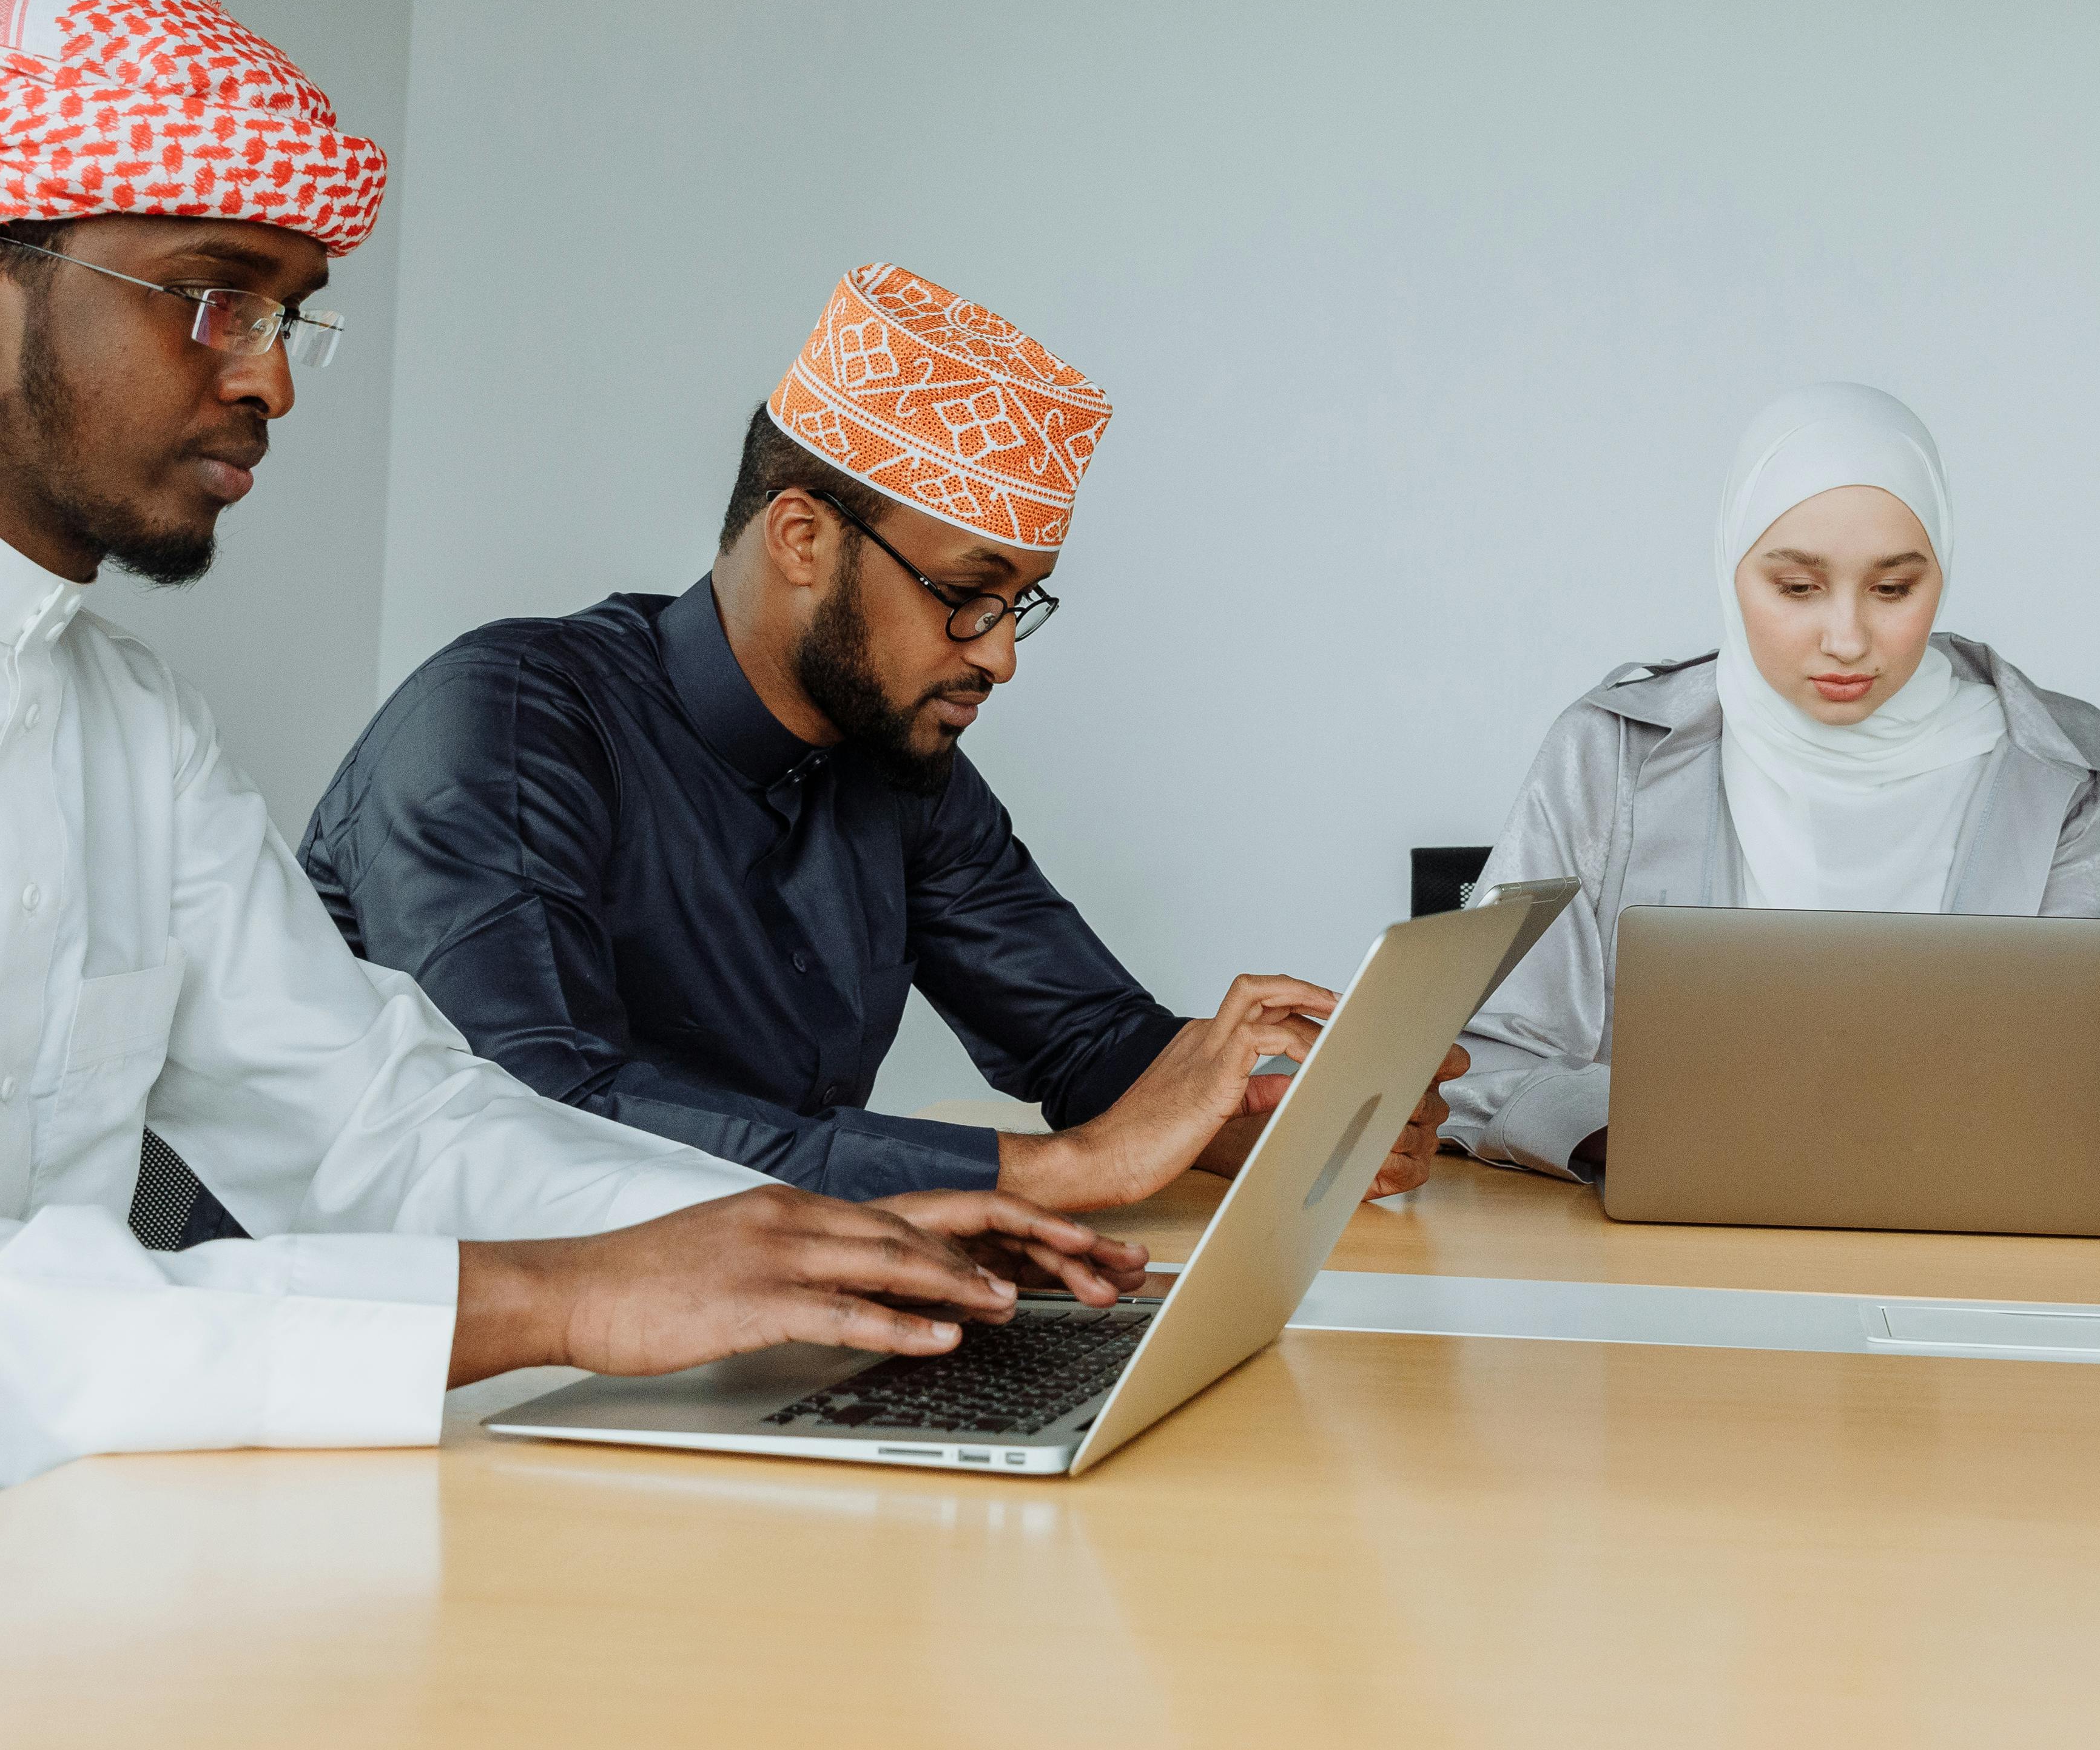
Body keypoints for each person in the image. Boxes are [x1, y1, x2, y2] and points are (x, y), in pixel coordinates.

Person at [0, 0, 1127, 1750]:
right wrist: (549, 1294)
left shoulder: (120, 717)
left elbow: (374, 1123)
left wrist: (783, 1247)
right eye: (209, 296)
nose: (270, 375)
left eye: (291, 313)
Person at [303, 264, 1458, 1215]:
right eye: (968, 592)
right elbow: (539, 1120)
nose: (1001, 654)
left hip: (735, 1320)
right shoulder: (504, 723)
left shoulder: (901, 765)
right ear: (801, 537)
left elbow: (1087, 1041)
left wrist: (1280, 1113)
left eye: (1020, 605)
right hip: (382, 1357)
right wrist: (1058, 1171)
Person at [1444, 382, 2100, 1182]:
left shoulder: (2047, 770)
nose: (1848, 638)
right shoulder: (1611, 749)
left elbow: (2064, 1080)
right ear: (1732, 567)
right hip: (1661, 1242)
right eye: (1797, 587)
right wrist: (1650, 1146)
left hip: (1949, 1238)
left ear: (1944, 571)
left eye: (1894, 589)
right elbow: (1482, 1063)